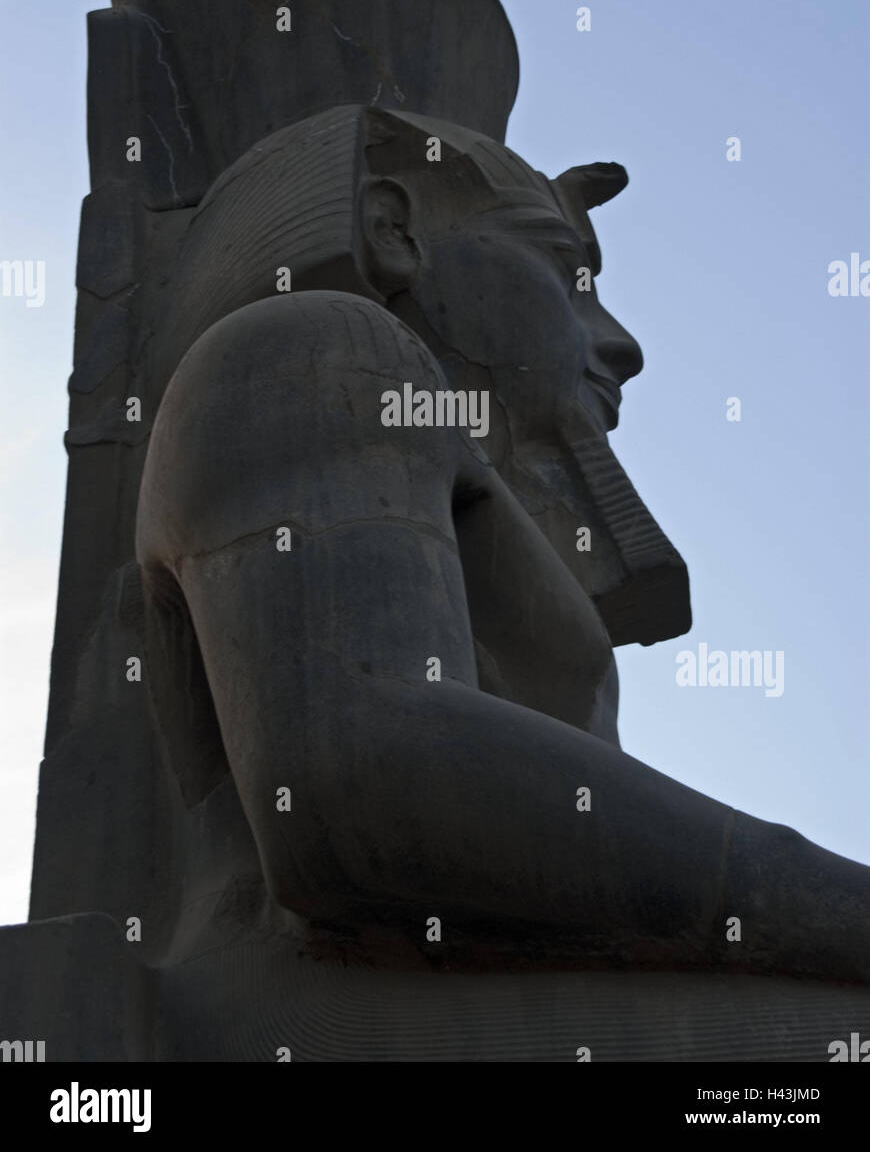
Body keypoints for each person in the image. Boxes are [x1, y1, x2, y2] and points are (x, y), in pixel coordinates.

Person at [137, 105, 870, 981]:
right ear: (393, 230)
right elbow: (357, 778)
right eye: (567, 273)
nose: (622, 346)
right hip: (326, 1005)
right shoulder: (315, 348)